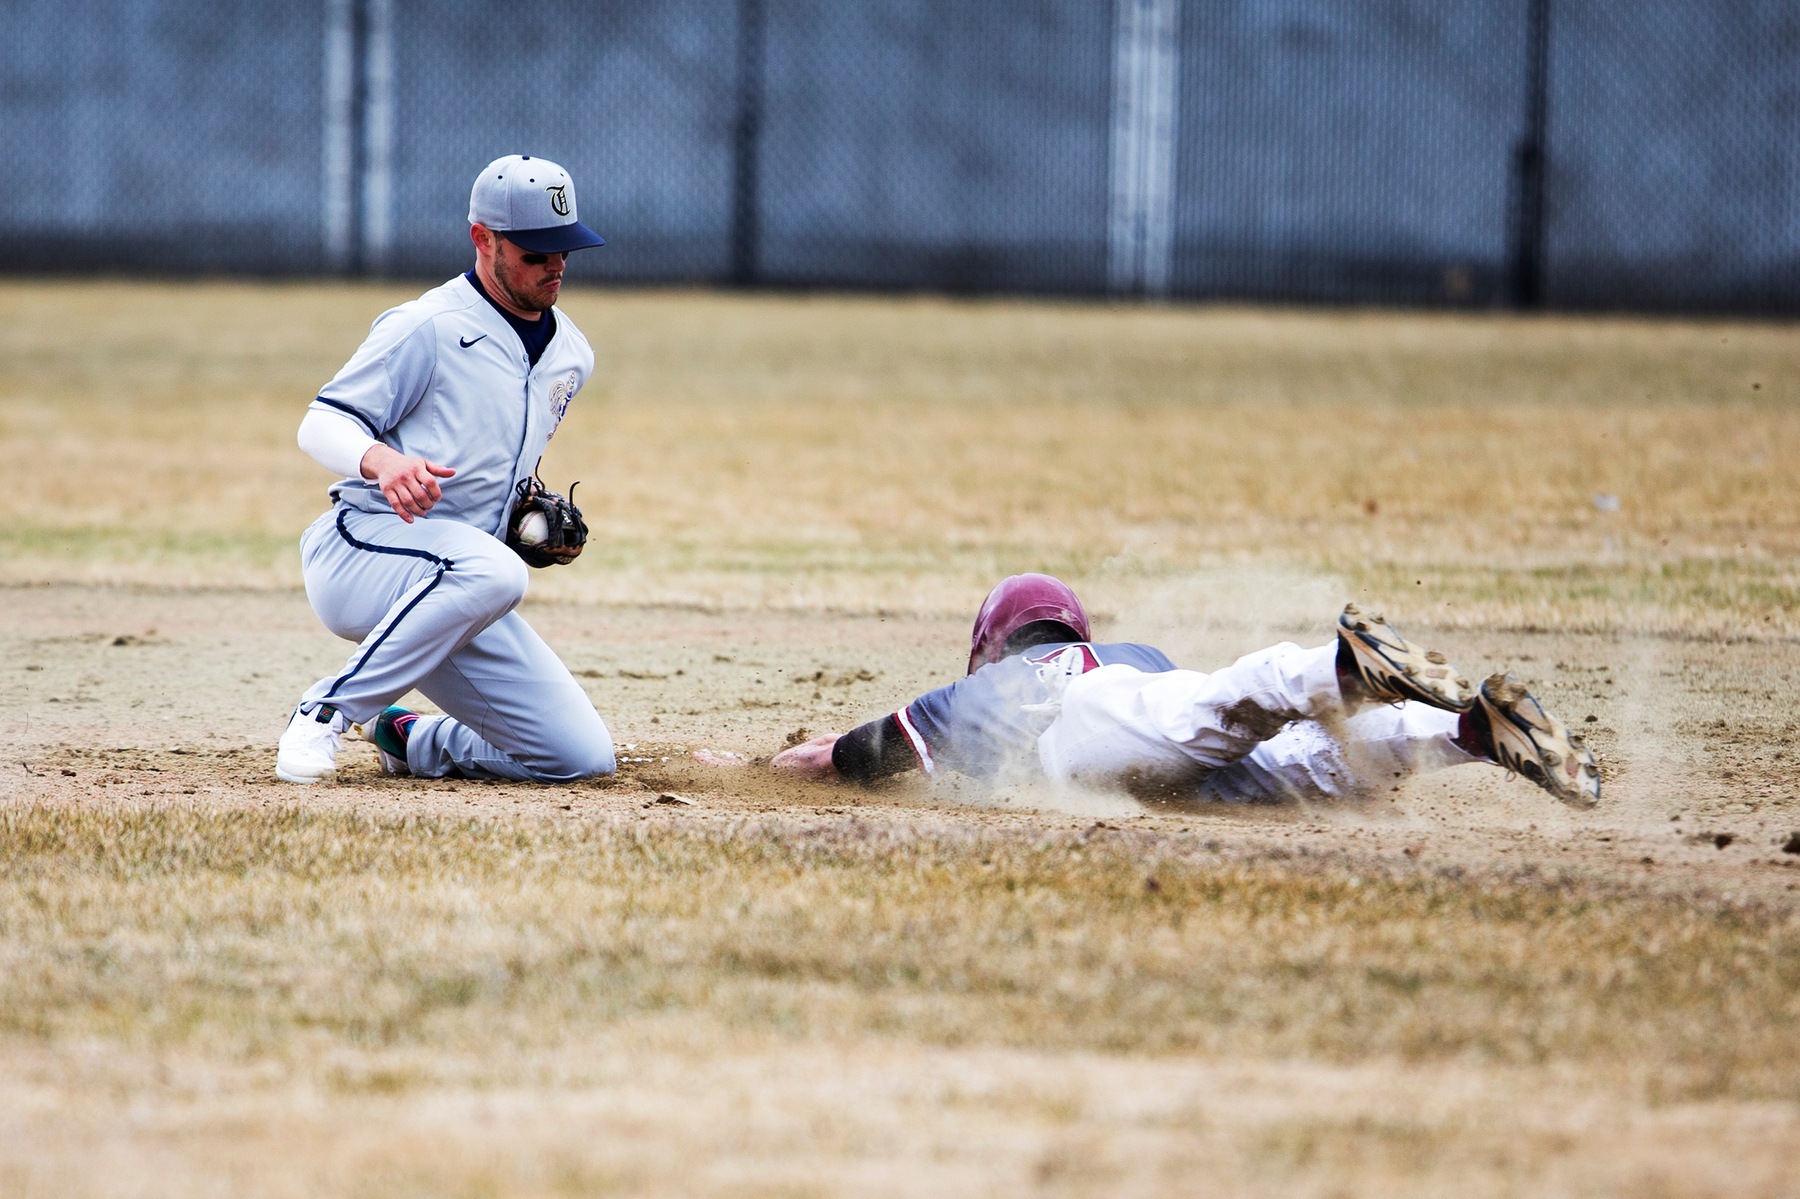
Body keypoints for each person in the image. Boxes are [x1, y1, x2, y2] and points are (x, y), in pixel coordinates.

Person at [275, 155, 615, 784]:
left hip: (462, 583)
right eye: (535, 252)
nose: (555, 265)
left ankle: (410, 739)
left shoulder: (571, 353)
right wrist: (381, 460)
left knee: (580, 759)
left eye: (564, 249)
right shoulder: (427, 326)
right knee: (495, 571)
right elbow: (320, 424)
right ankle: (325, 712)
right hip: (365, 552)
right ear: (483, 239)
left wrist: (518, 519)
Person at [770, 574, 1601, 807]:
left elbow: (855, 753)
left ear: (991, 645)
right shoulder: (1130, 653)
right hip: (1158, 768)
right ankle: (1470, 731)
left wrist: (759, 770)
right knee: (1312, 764)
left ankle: (1343, 668)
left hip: (1102, 733)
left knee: (1225, 705)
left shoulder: (999, 686)